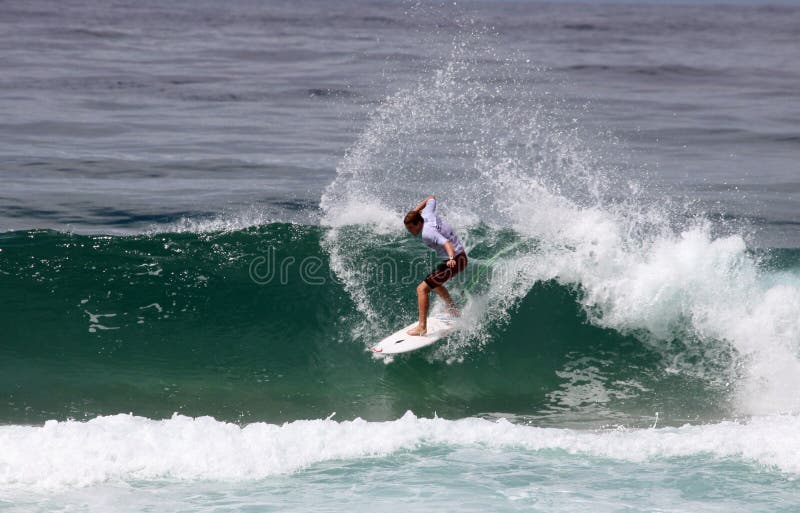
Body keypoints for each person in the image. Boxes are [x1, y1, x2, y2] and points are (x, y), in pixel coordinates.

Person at [403, 195, 468, 336]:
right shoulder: (427, 213)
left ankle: (422, 327)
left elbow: (446, 243)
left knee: (422, 289)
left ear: (418, 224)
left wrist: (451, 258)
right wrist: (415, 211)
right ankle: (452, 308)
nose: (410, 231)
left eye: (410, 228)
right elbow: (431, 198)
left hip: (455, 259)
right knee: (434, 283)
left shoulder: (427, 232)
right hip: (460, 255)